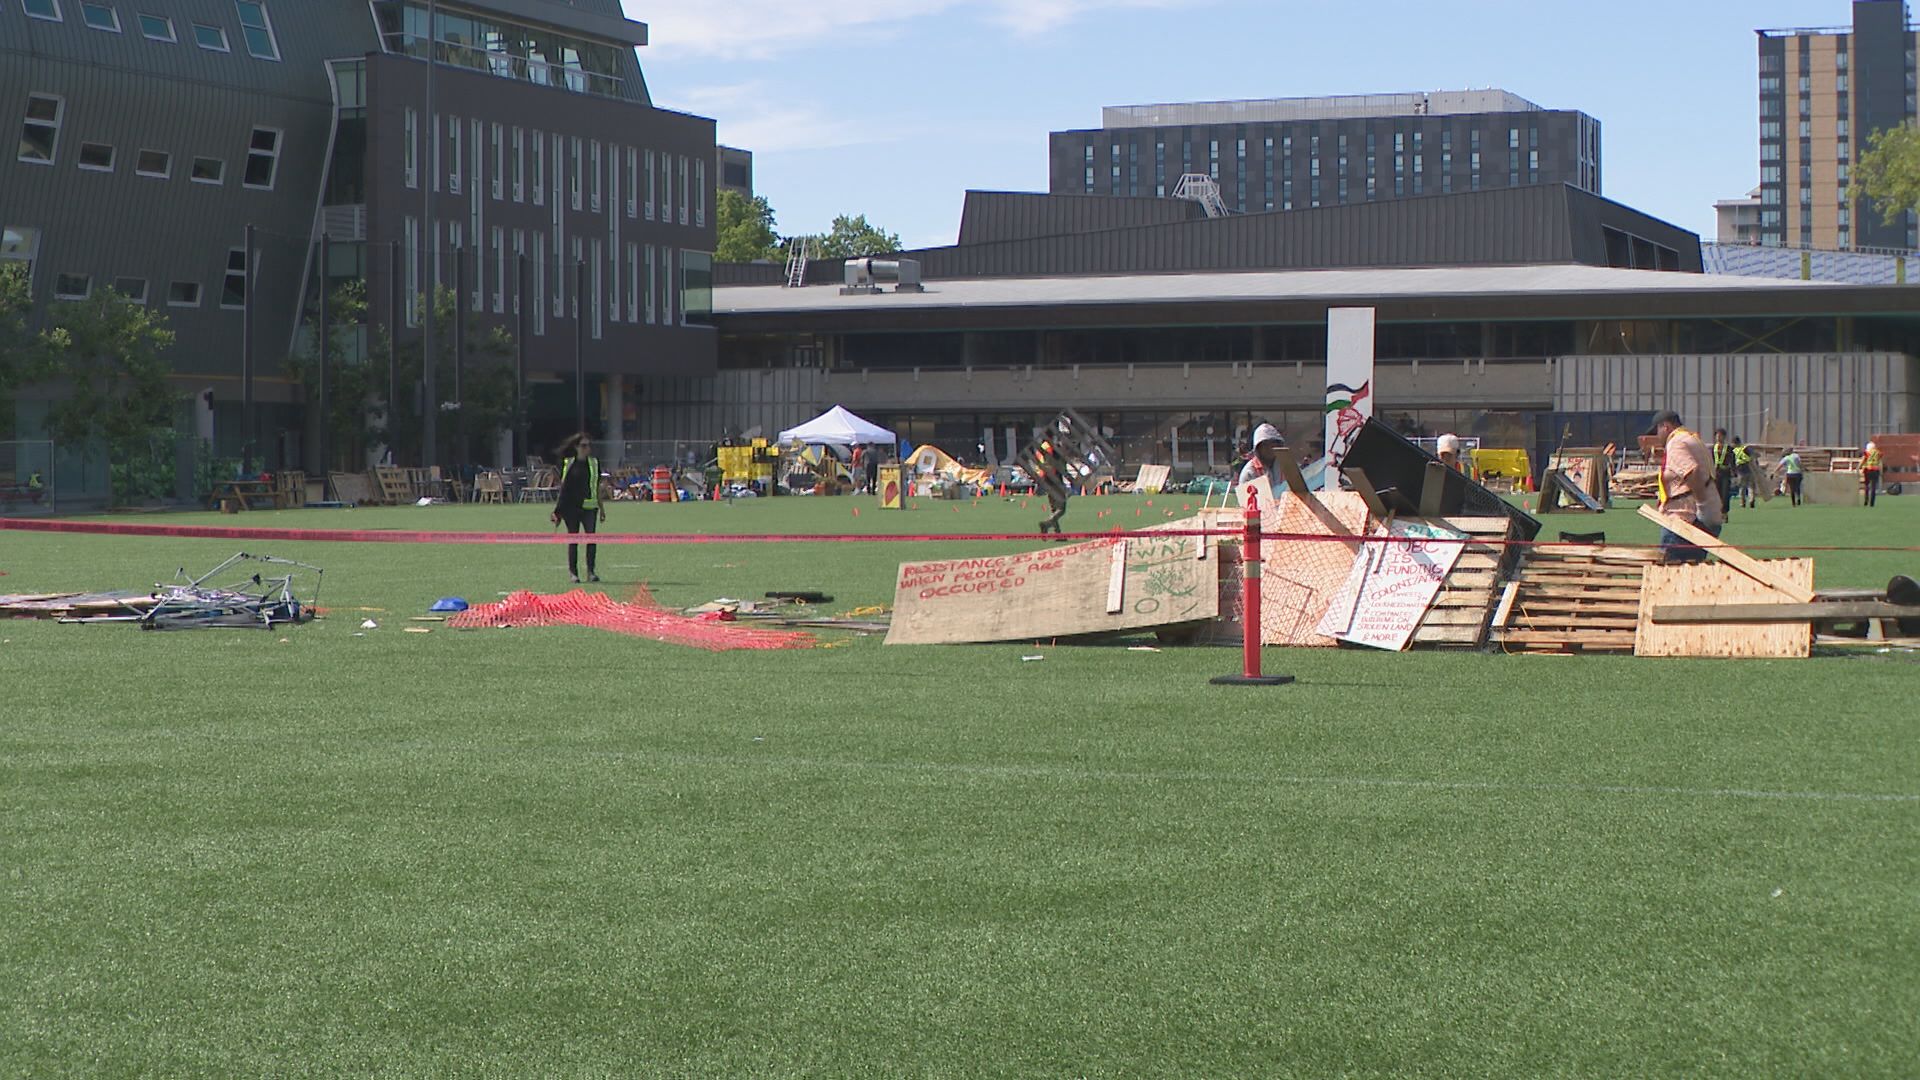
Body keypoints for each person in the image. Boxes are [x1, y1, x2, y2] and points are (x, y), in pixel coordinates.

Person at [1648, 410, 1723, 563]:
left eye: (1657, 431)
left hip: (1684, 518)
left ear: (1665, 427)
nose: (1657, 436)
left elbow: (1692, 472)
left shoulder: (1676, 443)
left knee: (1672, 571)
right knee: (1692, 569)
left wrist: (1701, 505)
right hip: (1707, 513)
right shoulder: (1693, 439)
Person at [551, 433, 605, 583]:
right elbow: (564, 489)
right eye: (583, 445)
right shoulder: (568, 464)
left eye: (588, 445)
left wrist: (602, 509)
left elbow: (597, 486)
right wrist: (558, 512)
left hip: (590, 508)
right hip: (571, 509)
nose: (587, 448)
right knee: (573, 540)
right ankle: (573, 573)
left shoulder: (594, 463)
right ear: (576, 447)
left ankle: (591, 572)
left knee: (591, 540)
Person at [1237, 423, 1287, 495]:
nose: (1270, 448)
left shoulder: (1286, 466)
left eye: (1273, 444)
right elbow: (1247, 502)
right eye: (1265, 445)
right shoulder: (1249, 472)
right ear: (1258, 448)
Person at [1710, 428, 1735, 519]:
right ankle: (1717, 513)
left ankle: (1725, 513)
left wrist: (1733, 471)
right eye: (1717, 436)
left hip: (1725, 473)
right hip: (1715, 473)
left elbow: (1733, 461)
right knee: (1716, 494)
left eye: (1720, 435)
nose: (1718, 437)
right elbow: (1709, 461)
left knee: (1725, 494)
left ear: (1724, 437)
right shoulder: (1713, 448)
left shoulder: (1729, 449)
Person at [1732, 437, 1757, 509]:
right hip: (1749, 469)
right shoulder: (1746, 448)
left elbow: (1733, 462)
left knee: (1742, 487)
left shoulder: (1734, 451)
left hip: (1740, 470)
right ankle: (1751, 499)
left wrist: (1734, 472)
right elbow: (1754, 456)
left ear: (1734, 443)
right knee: (1751, 486)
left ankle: (1742, 502)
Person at [1862, 440, 1883, 508]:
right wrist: (1881, 471)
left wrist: (1858, 468)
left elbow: (1863, 460)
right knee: (1873, 487)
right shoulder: (1878, 453)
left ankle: (1866, 500)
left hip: (1867, 470)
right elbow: (1880, 462)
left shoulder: (1867, 453)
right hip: (1875, 470)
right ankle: (1872, 503)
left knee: (1866, 486)